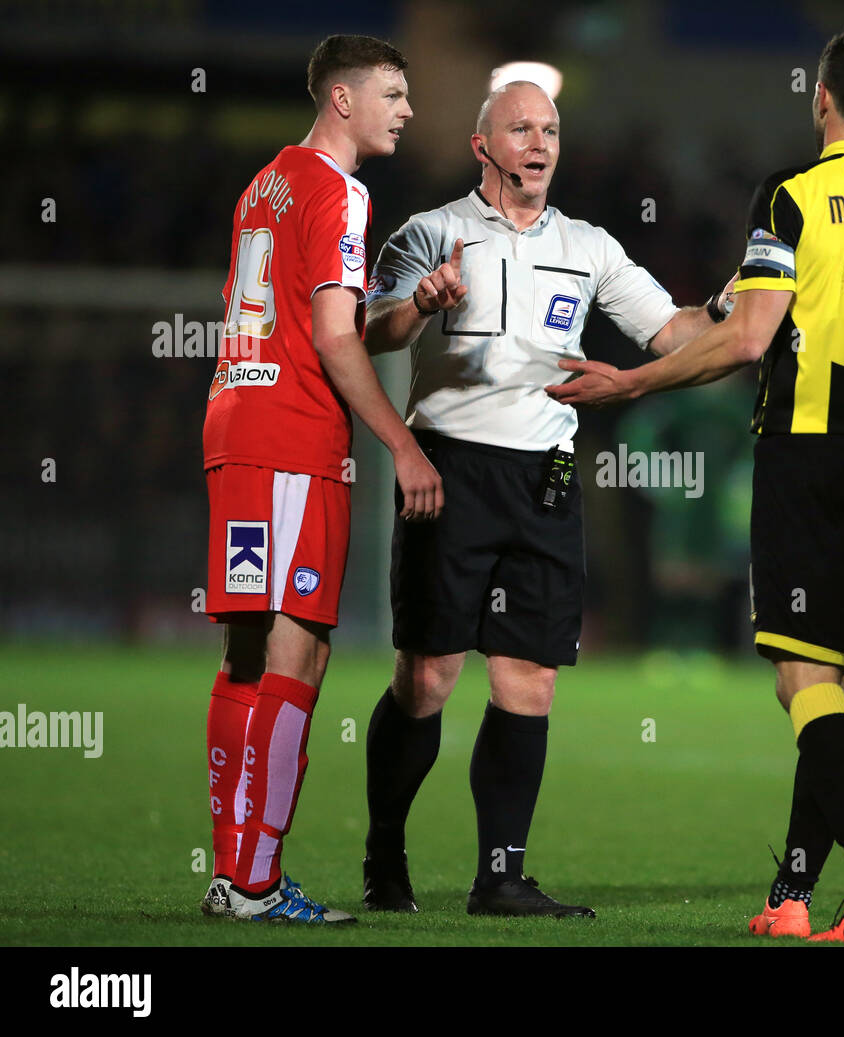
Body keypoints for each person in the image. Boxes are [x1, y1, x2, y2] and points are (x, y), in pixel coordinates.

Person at [547, 26, 844, 941]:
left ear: (822, 99)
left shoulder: (795, 195)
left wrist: (628, 383)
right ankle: (795, 895)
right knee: (836, 683)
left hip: (809, 446)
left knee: (799, 677)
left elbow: (750, 339)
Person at [361, 79, 734, 917]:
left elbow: (670, 332)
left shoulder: (590, 245)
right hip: (450, 468)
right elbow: (370, 326)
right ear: (482, 146)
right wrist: (420, 303)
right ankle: (386, 849)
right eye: (521, 128)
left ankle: (500, 876)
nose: (539, 142)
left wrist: (726, 309)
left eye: (551, 130)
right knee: (427, 678)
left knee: (529, 680)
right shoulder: (433, 231)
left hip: (546, 476)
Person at [199, 34, 441, 924]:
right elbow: (335, 341)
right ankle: (257, 883)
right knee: (301, 648)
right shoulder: (341, 190)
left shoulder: (264, 180)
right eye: (393, 92)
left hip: (234, 418)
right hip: (296, 438)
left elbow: (322, 319)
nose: (407, 109)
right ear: (342, 99)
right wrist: (402, 444)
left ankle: (233, 874)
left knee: (248, 650)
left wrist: (413, 307)